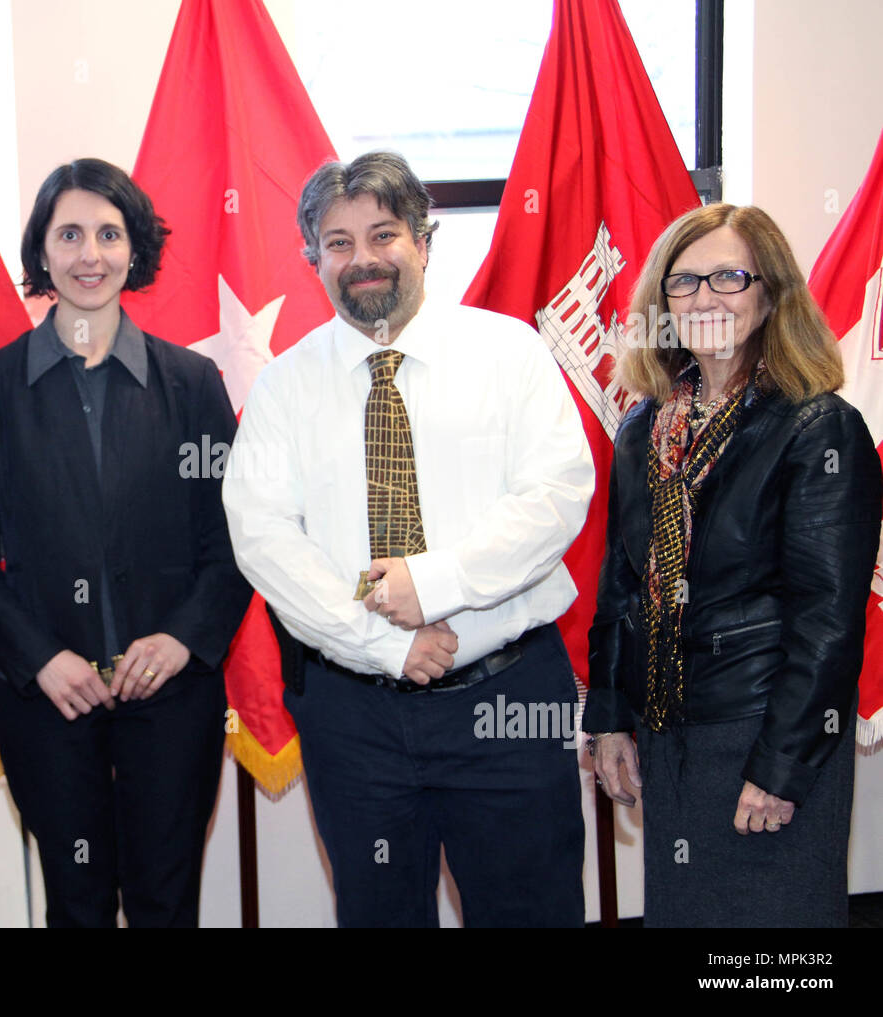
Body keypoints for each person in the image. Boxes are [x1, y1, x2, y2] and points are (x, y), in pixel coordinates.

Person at [222, 151, 595, 927]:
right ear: (313, 259)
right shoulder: (285, 386)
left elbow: (557, 496)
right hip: (355, 717)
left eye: (383, 234)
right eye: (338, 242)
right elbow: (264, 537)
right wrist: (383, 641)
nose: (362, 258)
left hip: (508, 701)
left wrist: (435, 582)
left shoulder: (509, 354)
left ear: (425, 242)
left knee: (532, 912)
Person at [0, 158, 250, 928]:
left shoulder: (193, 384)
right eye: (68, 233)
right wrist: (42, 658)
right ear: (41, 252)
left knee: (165, 900)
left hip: (172, 700)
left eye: (109, 234)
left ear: (133, 249)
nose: (90, 254)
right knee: (75, 904)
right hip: (49, 702)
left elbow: (238, 541)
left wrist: (181, 639)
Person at [584, 203, 882, 927]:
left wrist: (781, 766)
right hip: (670, 737)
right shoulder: (645, 425)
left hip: (765, 735)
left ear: (770, 292)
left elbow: (828, 624)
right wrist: (612, 718)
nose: (705, 297)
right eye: (684, 282)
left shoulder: (819, 426)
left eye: (729, 276)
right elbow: (623, 587)